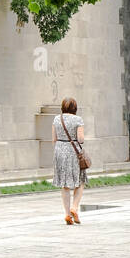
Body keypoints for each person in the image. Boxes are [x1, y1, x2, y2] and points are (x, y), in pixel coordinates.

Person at [52, 96, 87, 224]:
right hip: (73, 152)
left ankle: (67, 214)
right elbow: (81, 139)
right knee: (80, 180)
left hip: (59, 151)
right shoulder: (78, 119)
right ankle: (74, 207)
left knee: (64, 184)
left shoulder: (57, 119)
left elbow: (54, 139)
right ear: (75, 108)